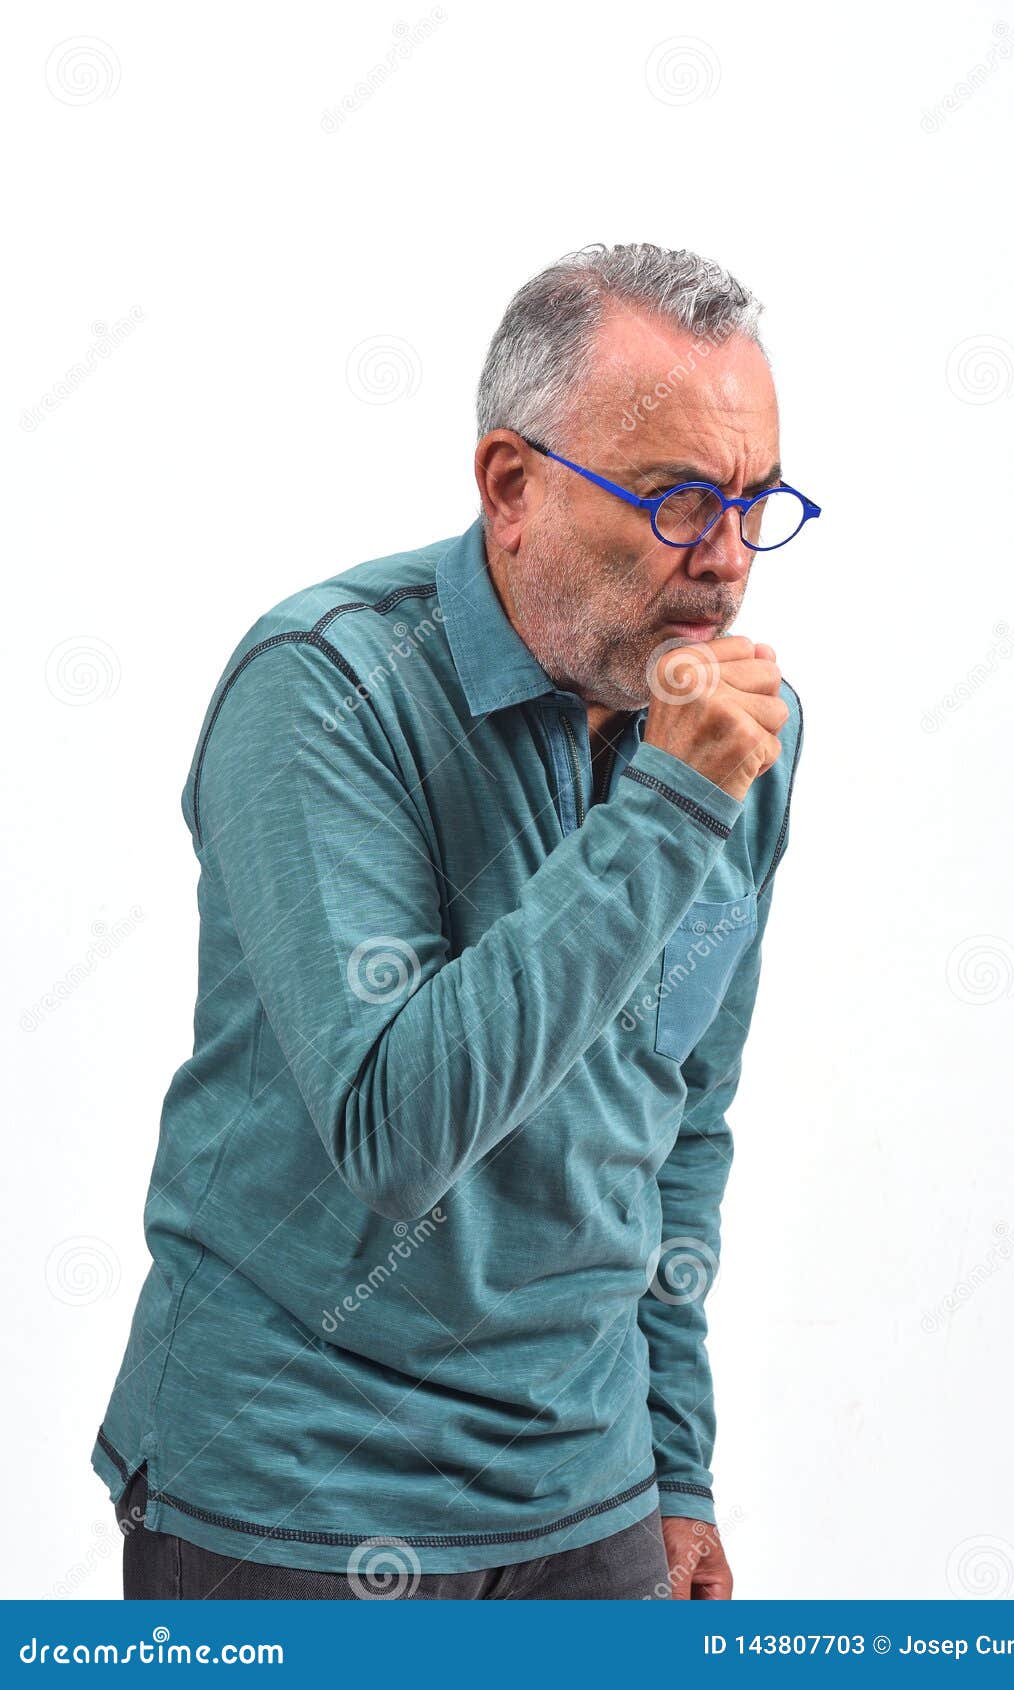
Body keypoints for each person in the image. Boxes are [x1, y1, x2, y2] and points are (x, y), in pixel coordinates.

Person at [94, 243, 814, 1600]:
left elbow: (683, 1118)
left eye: (755, 501)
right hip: (292, 1500)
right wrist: (667, 804)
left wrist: (677, 1464)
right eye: (672, 503)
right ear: (511, 486)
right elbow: (396, 1128)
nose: (726, 561)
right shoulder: (323, 691)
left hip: (588, 1496)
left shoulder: (738, 738)